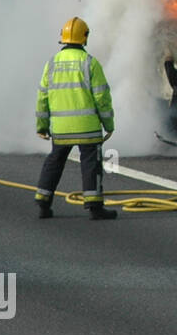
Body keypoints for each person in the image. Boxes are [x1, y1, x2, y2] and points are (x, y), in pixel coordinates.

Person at [34, 17, 118, 220]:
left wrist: (42, 126)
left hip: (61, 129)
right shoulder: (90, 63)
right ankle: (94, 207)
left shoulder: (52, 64)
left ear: (62, 38)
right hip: (87, 128)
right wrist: (109, 125)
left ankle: (43, 203)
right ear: (85, 37)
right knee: (91, 164)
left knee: (54, 161)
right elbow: (102, 98)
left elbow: (42, 98)